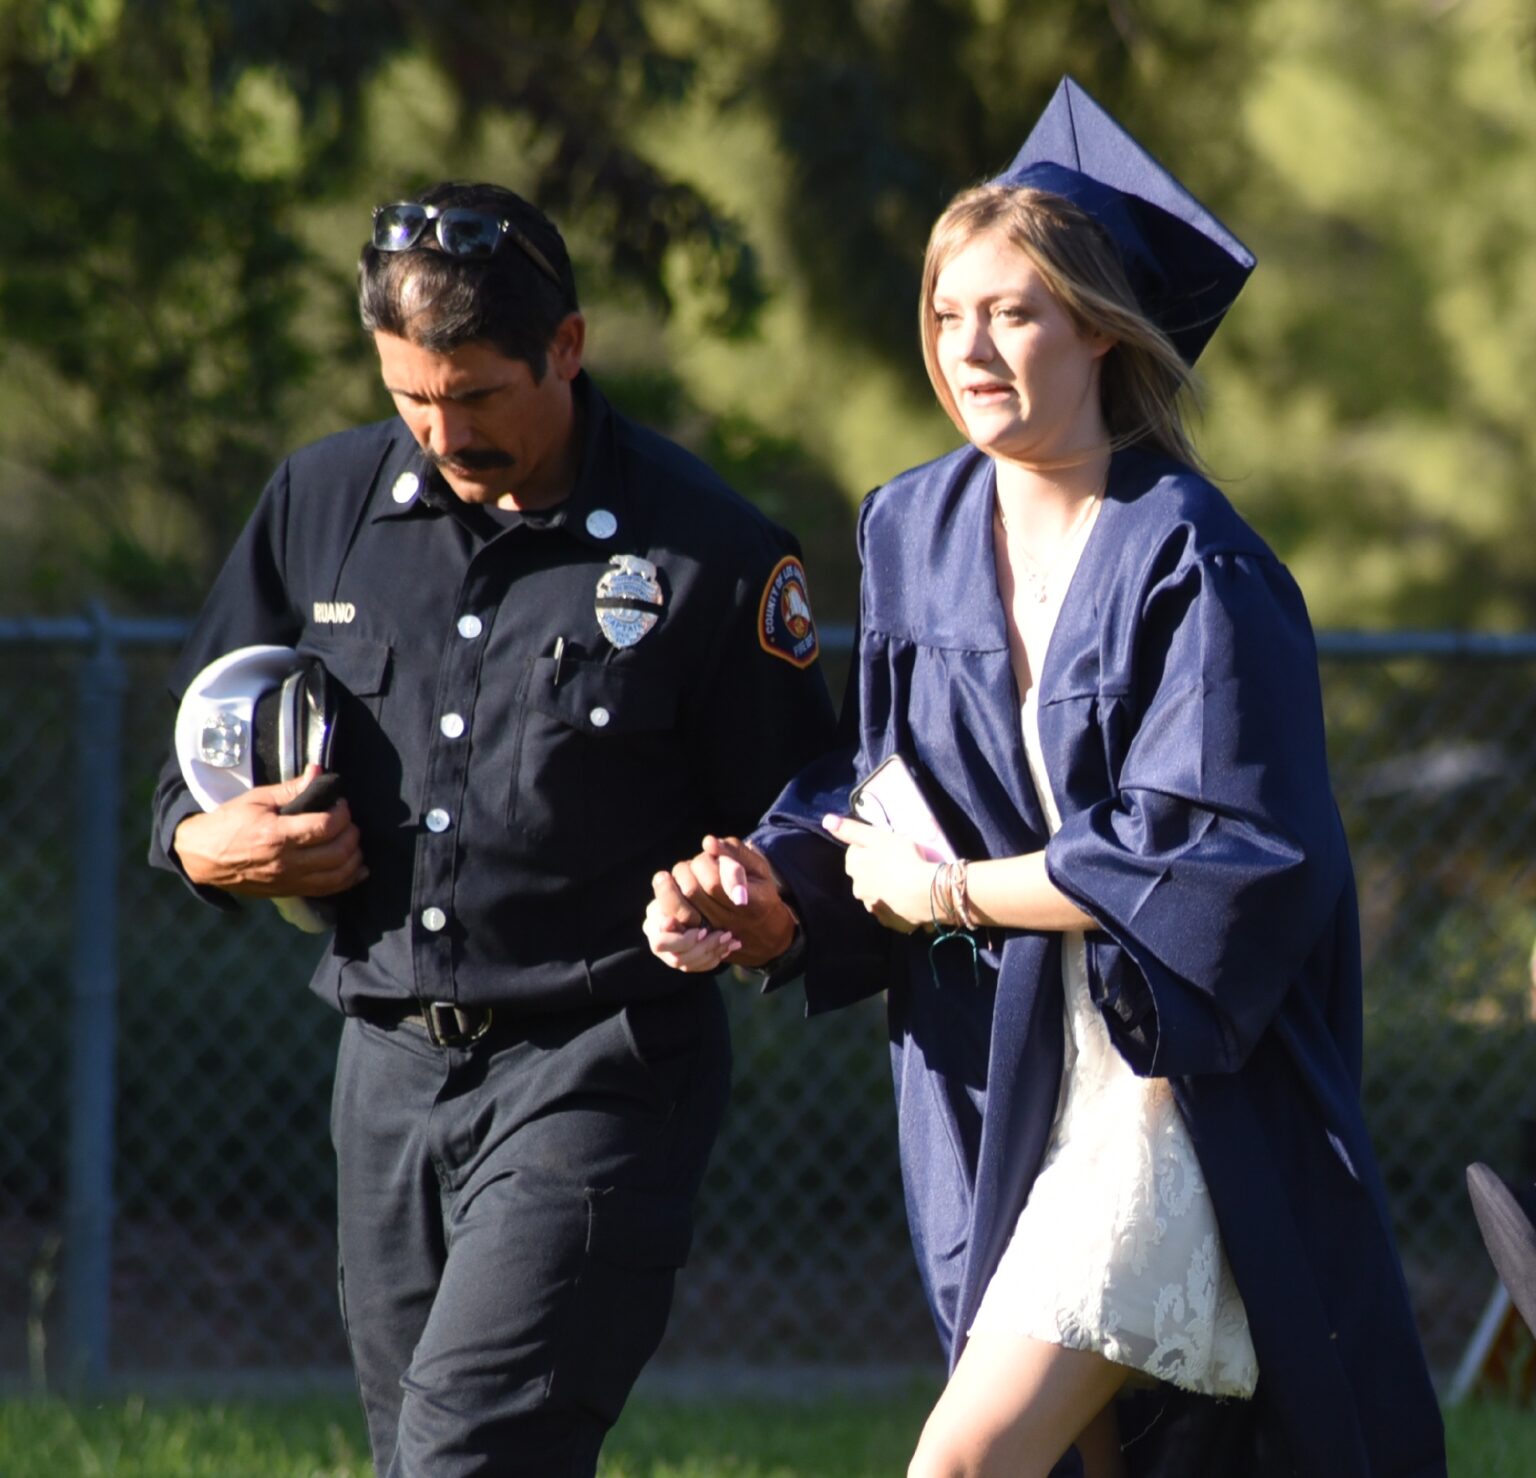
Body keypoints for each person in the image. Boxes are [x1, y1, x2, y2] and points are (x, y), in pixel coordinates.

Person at [644, 80, 1446, 1477]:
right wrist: (777, 890)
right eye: (948, 314)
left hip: (1171, 1096)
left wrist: (947, 891)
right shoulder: (915, 528)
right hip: (999, 1078)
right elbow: (893, 782)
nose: (973, 347)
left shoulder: (1195, 557)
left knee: (963, 1461)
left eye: (1014, 312)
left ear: (1096, 328)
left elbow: (1222, 850)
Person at [148, 181, 836, 1476]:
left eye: (474, 396)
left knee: (467, 1454)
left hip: (598, 1067)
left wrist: (760, 898)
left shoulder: (715, 555)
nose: (440, 430)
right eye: (411, 396)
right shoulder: (321, 503)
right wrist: (208, 846)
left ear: (565, 350)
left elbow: (811, 819)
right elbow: (190, 767)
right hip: (386, 1071)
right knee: (419, 1453)